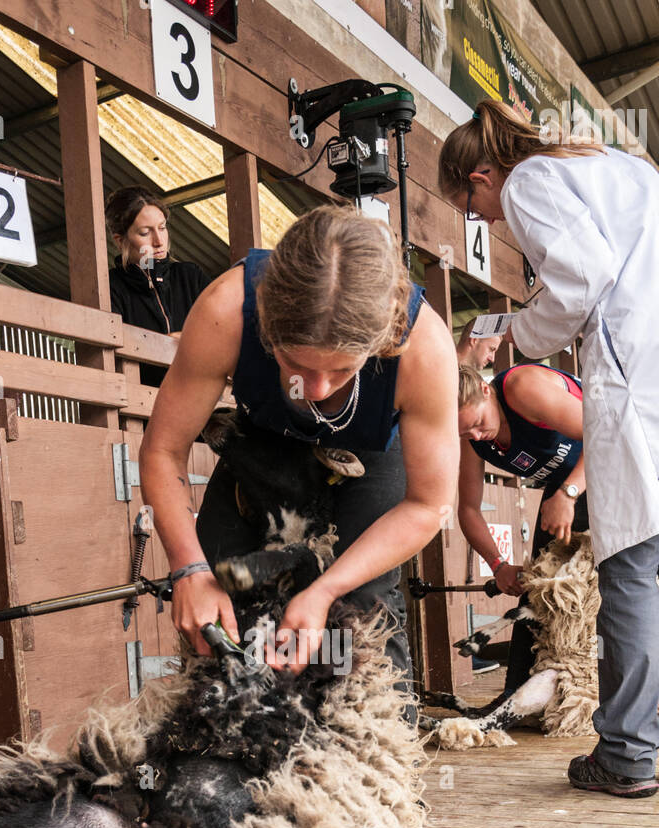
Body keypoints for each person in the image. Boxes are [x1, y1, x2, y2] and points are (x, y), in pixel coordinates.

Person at [439, 100, 659, 796]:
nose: (488, 218)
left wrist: (517, 335)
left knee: (627, 564)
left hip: (637, 374)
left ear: (482, 173)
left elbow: (579, 276)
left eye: (474, 204)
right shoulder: (616, 166)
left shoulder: (529, 179)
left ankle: (627, 752)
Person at [137, 204, 460, 702]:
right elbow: (163, 449)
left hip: (370, 453)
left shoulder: (425, 349)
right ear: (266, 318)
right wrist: (188, 569)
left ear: (382, 342)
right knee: (224, 583)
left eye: (342, 370)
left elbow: (429, 505)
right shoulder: (227, 310)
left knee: (360, 608)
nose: (316, 389)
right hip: (265, 436)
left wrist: (325, 589)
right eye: (296, 363)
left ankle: (372, 756)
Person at [457, 360, 586, 692]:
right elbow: (469, 509)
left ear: (486, 390)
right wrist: (498, 565)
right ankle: (521, 697)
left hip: (612, 464)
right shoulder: (470, 435)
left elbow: (608, 433)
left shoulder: (522, 388)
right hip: (563, 487)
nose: (474, 435)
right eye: (463, 432)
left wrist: (568, 494)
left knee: (599, 591)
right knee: (539, 593)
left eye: (477, 423)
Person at [105, 186, 210, 385]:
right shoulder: (111, 287)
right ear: (120, 241)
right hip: (142, 404)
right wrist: (164, 345)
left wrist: (188, 337)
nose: (159, 241)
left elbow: (224, 326)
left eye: (162, 228)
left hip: (203, 398)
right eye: (145, 233)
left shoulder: (190, 276)